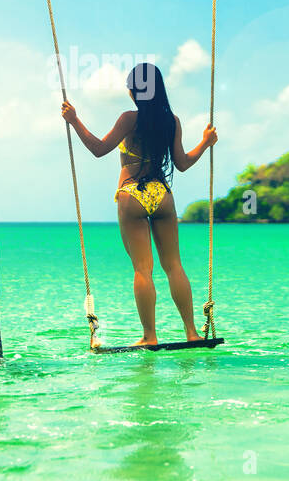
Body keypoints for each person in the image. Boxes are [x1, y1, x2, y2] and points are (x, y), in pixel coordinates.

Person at [61, 62, 217, 347]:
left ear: (134, 91)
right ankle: (192, 332)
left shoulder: (129, 119)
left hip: (132, 193)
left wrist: (74, 120)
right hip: (162, 194)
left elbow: (98, 149)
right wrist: (205, 143)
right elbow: (181, 164)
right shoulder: (172, 121)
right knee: (174, 266)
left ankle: (149, 336)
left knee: (143, 269)